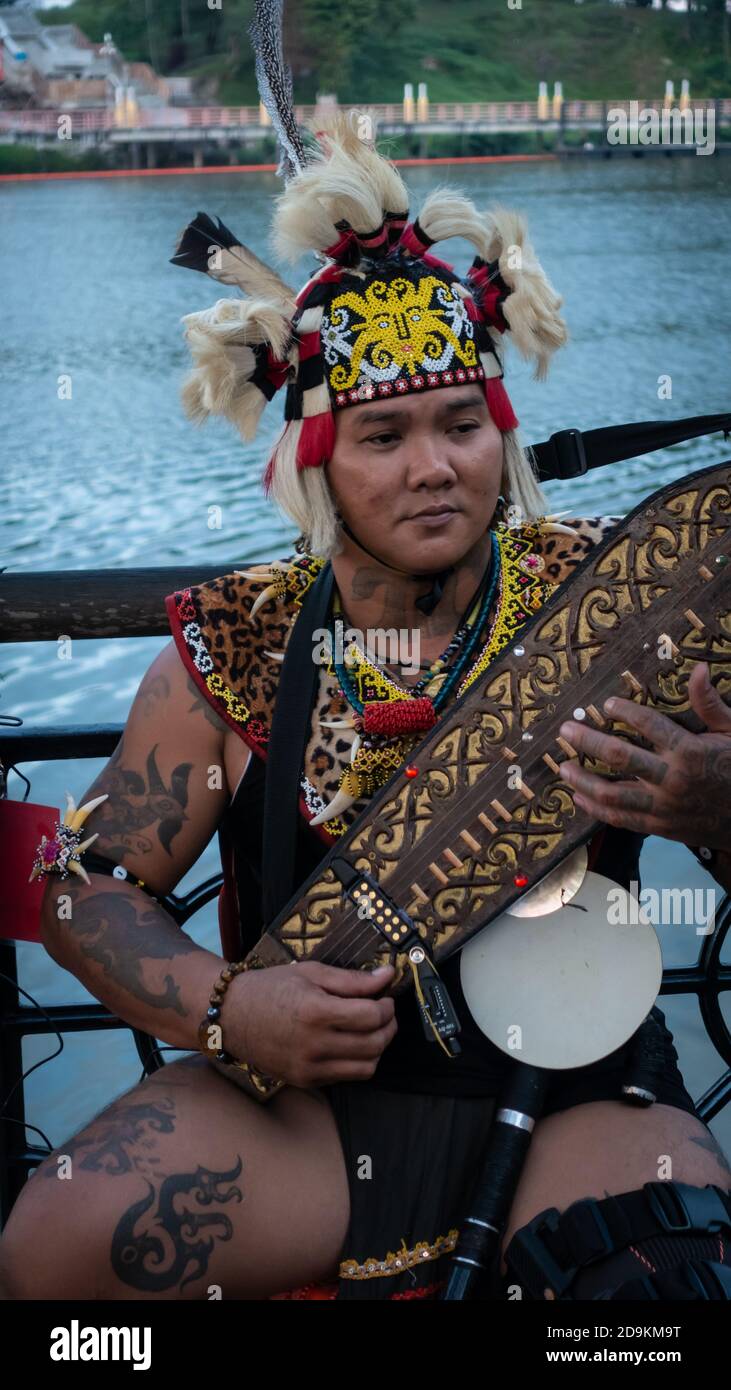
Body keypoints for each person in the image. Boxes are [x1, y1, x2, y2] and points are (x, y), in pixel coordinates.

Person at [2, 111, 731, 1304]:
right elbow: (86, 885)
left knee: (660, 1298)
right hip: (304, 1113)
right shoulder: (225, 647)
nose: (432, 466)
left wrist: (714, 799)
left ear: (501, 434)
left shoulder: (624, 602)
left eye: (460, 426)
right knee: (54, 1257)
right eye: (384, 435)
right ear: (316, 459)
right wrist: (234, 1009)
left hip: (574, 1097)